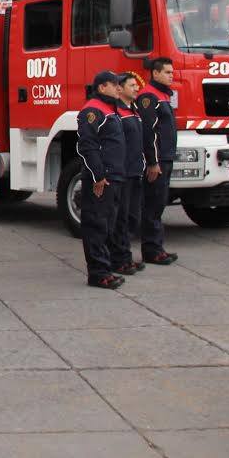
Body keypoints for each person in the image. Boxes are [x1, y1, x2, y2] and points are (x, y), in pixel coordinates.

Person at [77, 71, 127, 290]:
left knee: (107, 225)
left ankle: (105, 268)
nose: (119, 88)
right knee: (96, 225)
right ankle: (98, 273)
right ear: (101, 87)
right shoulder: (92, 111)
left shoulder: (111, 110)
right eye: (114, 85)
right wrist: (99, 175)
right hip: (101, 179)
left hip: (114, 177)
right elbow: (88, 146)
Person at [137, 57, 179, 265]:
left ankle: (157, 247)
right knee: (153, 205)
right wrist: (153, 162)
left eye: (172, 72)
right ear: (155, 73)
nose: (172, 75)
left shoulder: (163, 95)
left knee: (159, 204)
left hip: (166, 157)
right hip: (158, 160)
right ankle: (152, 251)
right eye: (168, 72)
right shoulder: (149, 97)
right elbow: (148, 132)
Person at [109, 73, 147, 277]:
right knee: (121, 218)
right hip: (122, 173)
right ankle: (120, 259)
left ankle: (126, 255)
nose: (136, 88)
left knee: (133, 217)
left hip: (135, 172)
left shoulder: (134, 112)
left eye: (136, 85)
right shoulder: (118, 113)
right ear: (120, 89)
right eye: (131, 85)